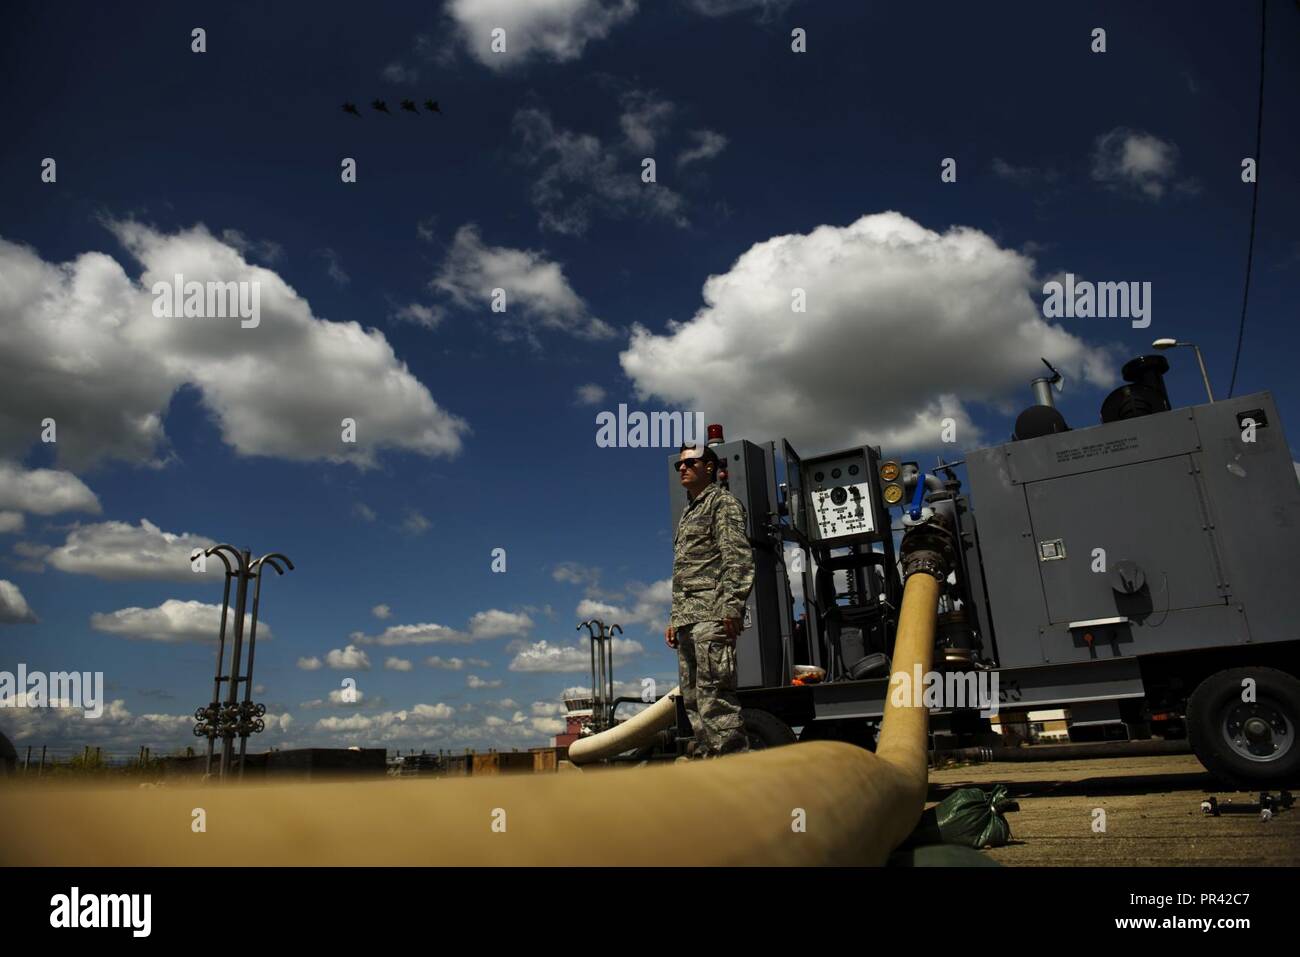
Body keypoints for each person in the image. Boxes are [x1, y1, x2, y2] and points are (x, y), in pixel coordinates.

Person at [665, 442, 755, 758]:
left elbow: (737, 556)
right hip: (689, 620)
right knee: (692, 701)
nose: (683, 468)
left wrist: (732, 606)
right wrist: (675, 618)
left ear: (710, 468)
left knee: (715, 699)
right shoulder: (690, 512)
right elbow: (687, 570)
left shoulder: (722, 503)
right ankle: (710, 772)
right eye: (679, 465)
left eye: (691, 463)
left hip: (712, 618)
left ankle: (737, 770)